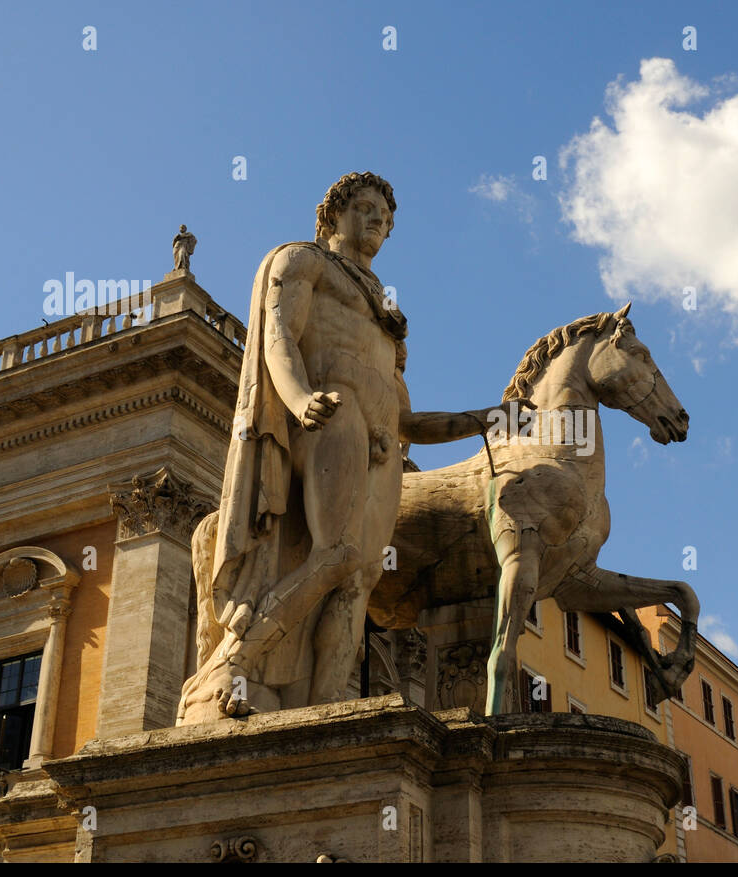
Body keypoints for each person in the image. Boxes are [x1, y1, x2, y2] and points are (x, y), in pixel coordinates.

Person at [179, 172, 514, 721]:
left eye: (386, 217)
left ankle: (328, 697)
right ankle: (238, 656)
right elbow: (278, 337)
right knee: (336, 555)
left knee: (358, 578)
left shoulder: (385, 319)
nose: (378, 222)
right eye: (366, 208)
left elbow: (409, 421)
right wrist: (298, 396)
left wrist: (482, 420)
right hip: (329, 417)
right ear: (333, 213)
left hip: (380, 453)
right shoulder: (301, 261)